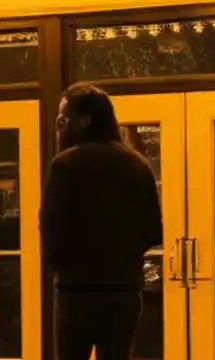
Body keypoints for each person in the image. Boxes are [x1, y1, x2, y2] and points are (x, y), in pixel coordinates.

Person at [40, 83, 162, 360]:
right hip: (124, 290)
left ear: (84, 121)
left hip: (76, 290)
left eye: (63, 119)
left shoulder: (64, 165)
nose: (59, 125)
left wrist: (63, 265)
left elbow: (52, 233)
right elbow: (154, 231)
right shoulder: (138, 165)